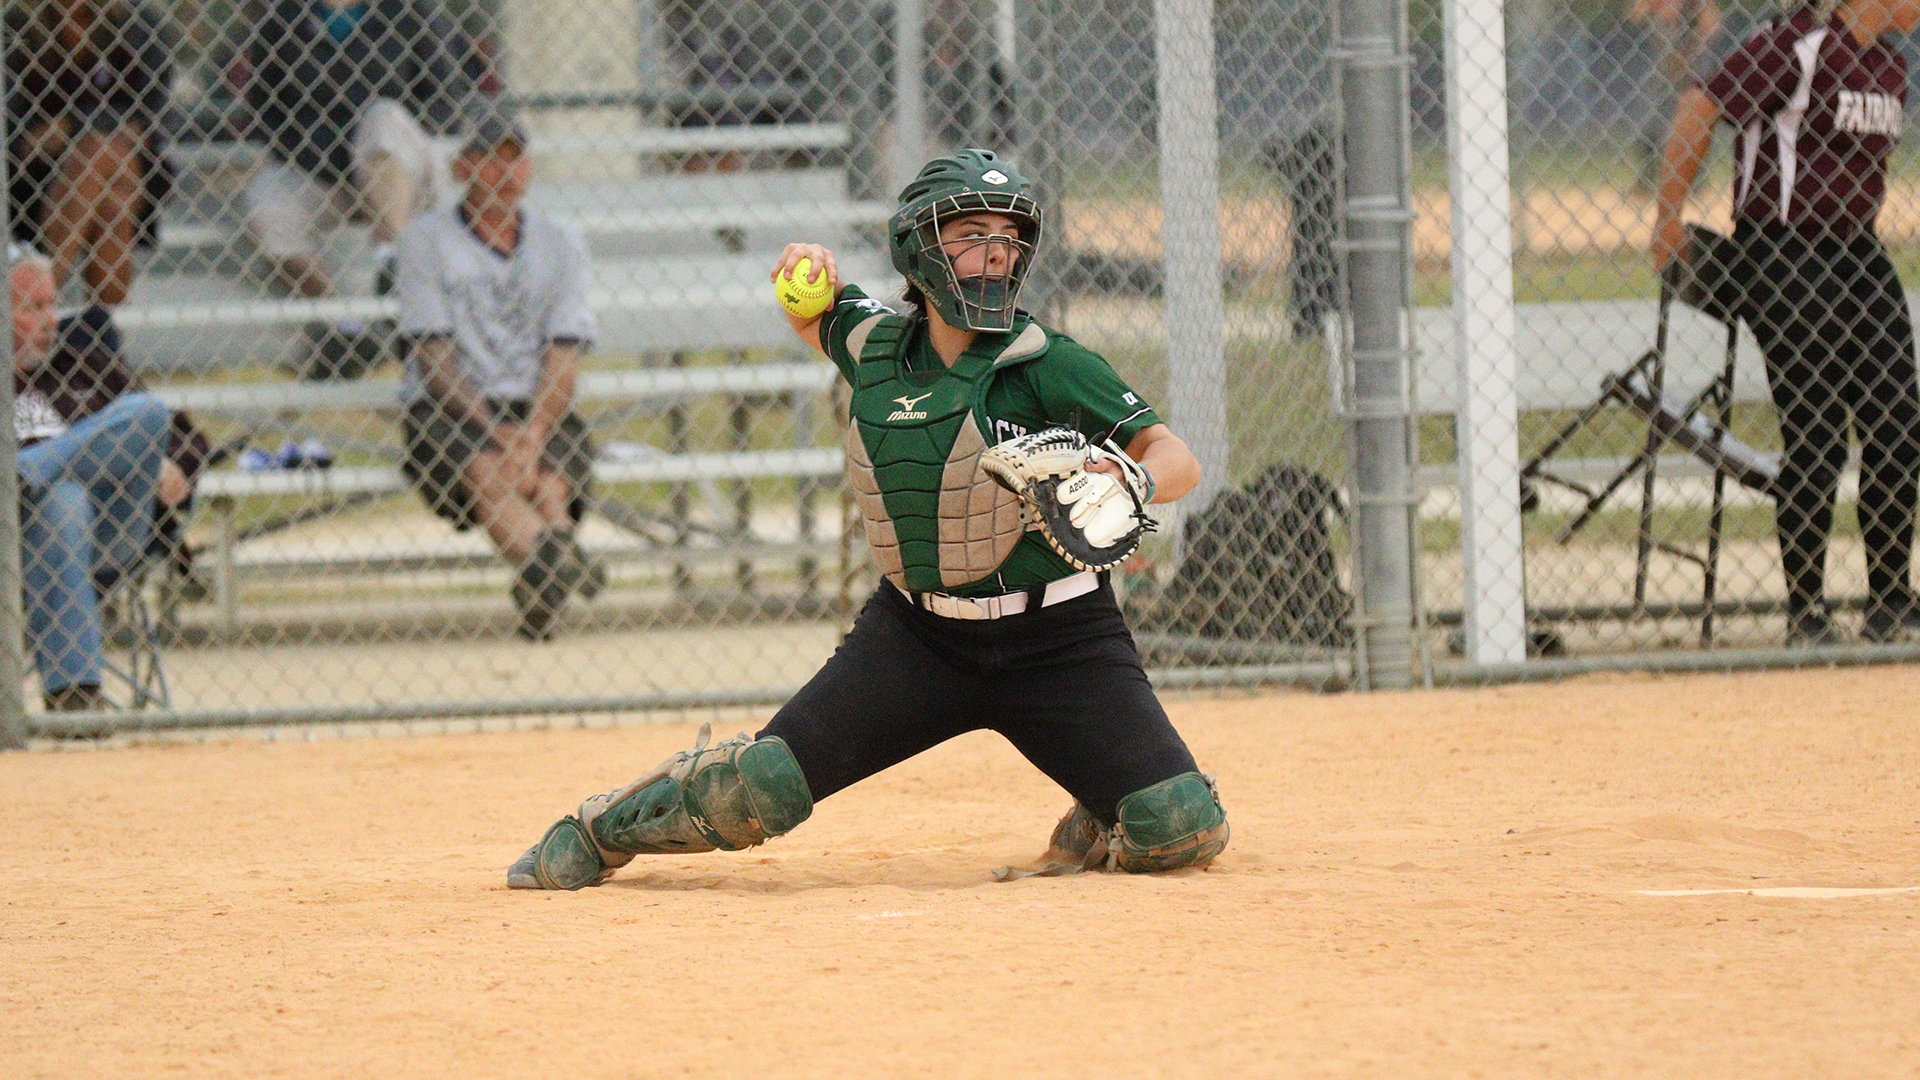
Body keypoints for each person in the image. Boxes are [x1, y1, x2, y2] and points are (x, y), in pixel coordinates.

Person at [506, 149, 1230, 891]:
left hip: (1063, 640)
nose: (992, 252)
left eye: (1007, 237)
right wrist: (804, 263)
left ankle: (1099, 805)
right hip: (918, 639)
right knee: (759, 790)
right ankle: (602, 828)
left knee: (1179, 826)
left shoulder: (1046, 362)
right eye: (969, 232)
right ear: (917, 249)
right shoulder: (873, 347)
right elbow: (813, 309)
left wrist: (1126, 473)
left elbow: (1176, 457)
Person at [1653, 0, 1920, 645]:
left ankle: (1889, 599)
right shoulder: (1795, 45)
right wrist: (1667, 215)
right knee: (1819, 427)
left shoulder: (1889, 65)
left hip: (1855, 247)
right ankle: (1807, 610)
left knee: (1901, 416)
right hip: (1783, 249)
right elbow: (1701, 104)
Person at [395, 112, 601, 642]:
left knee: (551, 481)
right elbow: (434, 356)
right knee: (487, 470)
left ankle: (543, 575)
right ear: (462, 168)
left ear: (529, 168)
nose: (503, 172)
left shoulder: (560, 244)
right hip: (451, 407)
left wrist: (531, 432)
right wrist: (495, 430)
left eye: (514, 158)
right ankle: (559, 557)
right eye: (488, 158)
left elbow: (565, 355)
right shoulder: (425, 240)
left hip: (535, 403)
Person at [243, 0, 476, 373]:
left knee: (382, 118)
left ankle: (392, 262)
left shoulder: (411, 9)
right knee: (266, 204)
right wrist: (317, 148)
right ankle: (346, 329)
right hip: (320, 169)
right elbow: (263, 107)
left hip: (399, 169)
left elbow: (446, 98)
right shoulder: (282, 17)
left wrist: (378, 135)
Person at [10, 246, 176, 711]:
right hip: (19, 542)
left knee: (148, 412)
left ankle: (23, 473)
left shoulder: (81, 361)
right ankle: (75, 696)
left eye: (52, 304)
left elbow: (176, 432)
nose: (51, 320)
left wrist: (167, 460)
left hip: (110, 528)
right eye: (31, 308)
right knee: (61, 500)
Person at [4, 0, 173, 307]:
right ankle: (102, 329)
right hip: (40, 179)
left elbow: (151, 120)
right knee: (106, 181)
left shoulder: (134, 22)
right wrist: (103, 127)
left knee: (103, 159)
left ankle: (39, 301)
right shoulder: (17, 26)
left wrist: (71, 126)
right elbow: (19, 139)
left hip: (125, 163)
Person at [1624, 0, 1724, 192]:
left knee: (1693, 125)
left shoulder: (1696, 6)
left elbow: (1713, 23)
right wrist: (1658, 11)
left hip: (1691, 70)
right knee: (1651, 125)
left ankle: (1695, 183)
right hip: (1663, 75)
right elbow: (1635, 17)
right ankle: (1645, 181)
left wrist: (1697, 37)